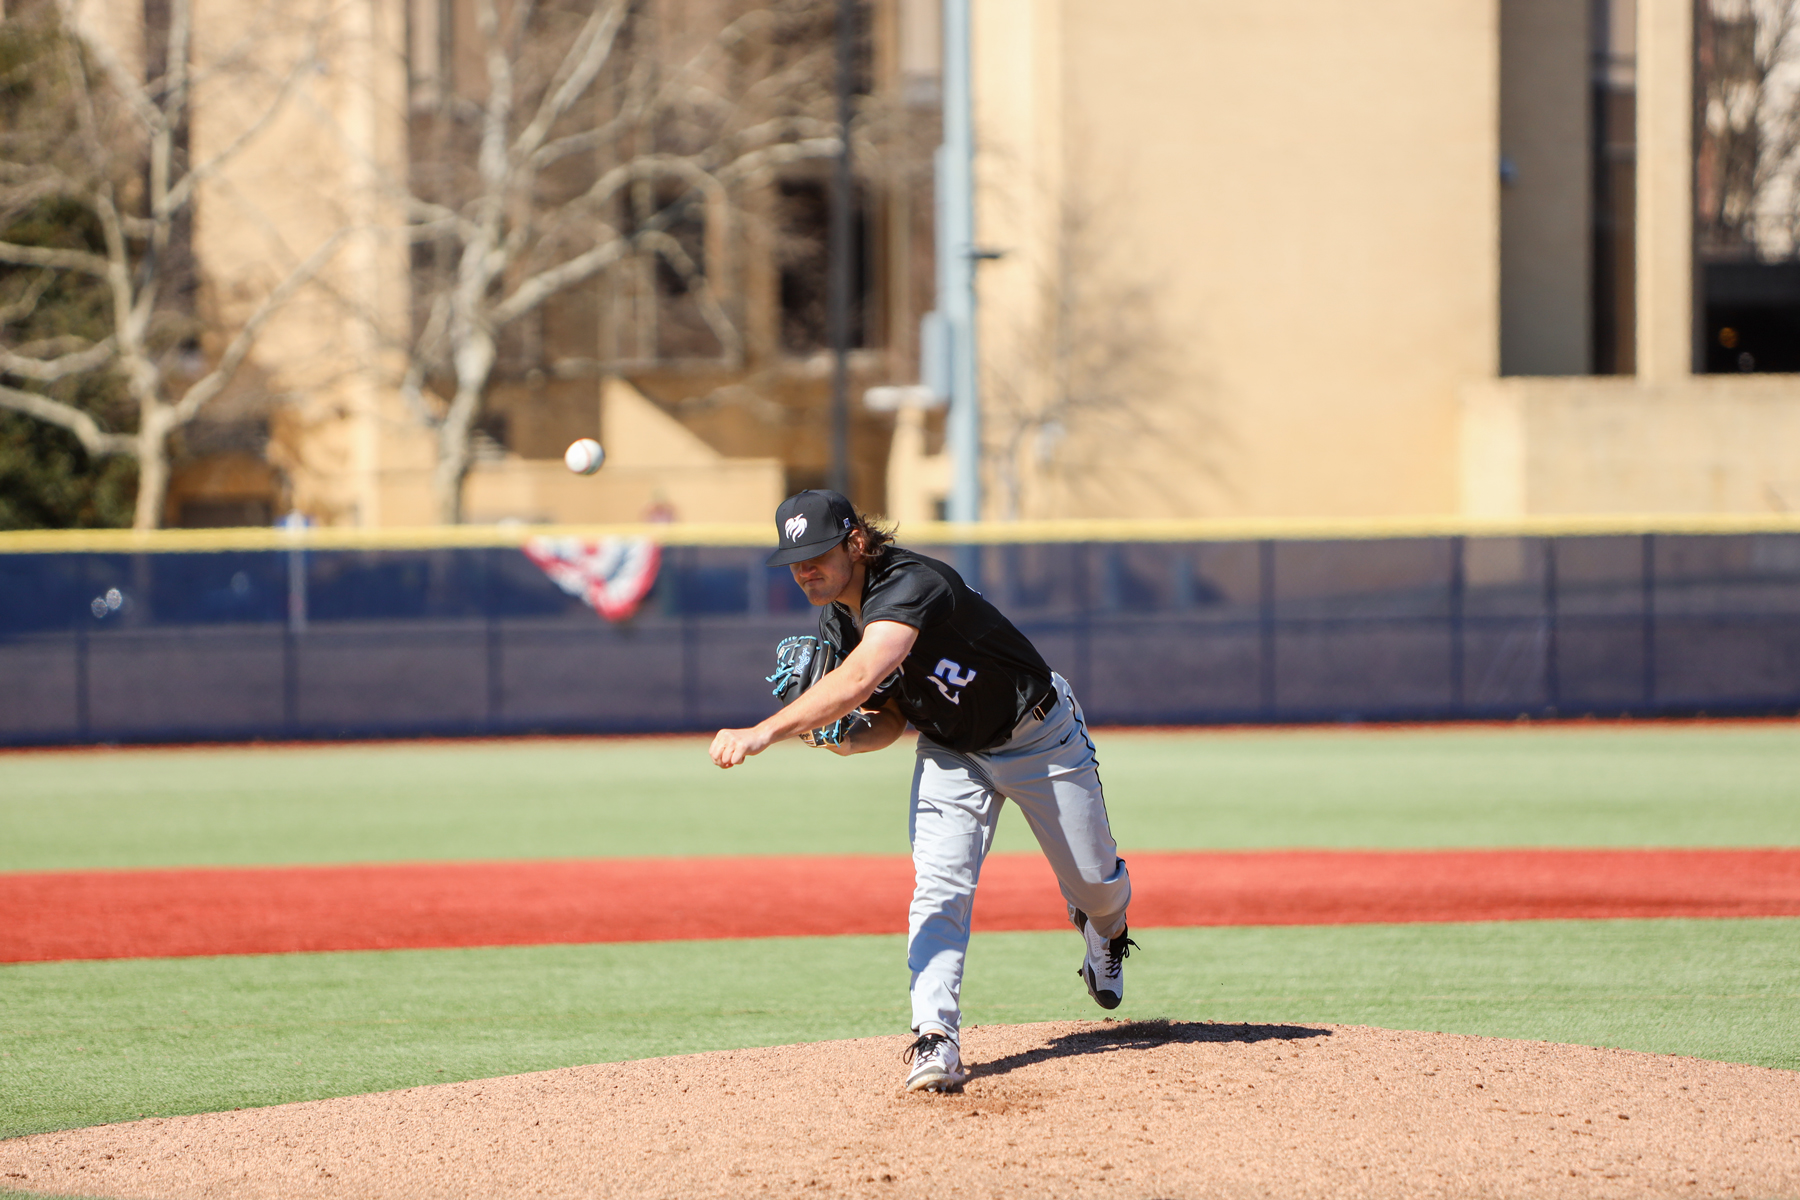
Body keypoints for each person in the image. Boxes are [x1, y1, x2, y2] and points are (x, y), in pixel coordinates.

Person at [709, 490, 1134, 1093]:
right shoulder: (837, 620)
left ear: (856, 542)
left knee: (1095, 886)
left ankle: (1104, 928)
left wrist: (764, 732)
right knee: (939, 885)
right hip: (951, 750)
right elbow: (887, 719)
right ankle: (936, 1036)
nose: (805, 570)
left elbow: (861, 676)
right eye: (795, 560)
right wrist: (840, 740)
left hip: (1039, 736)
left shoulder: (912, 582)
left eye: (817, 555)